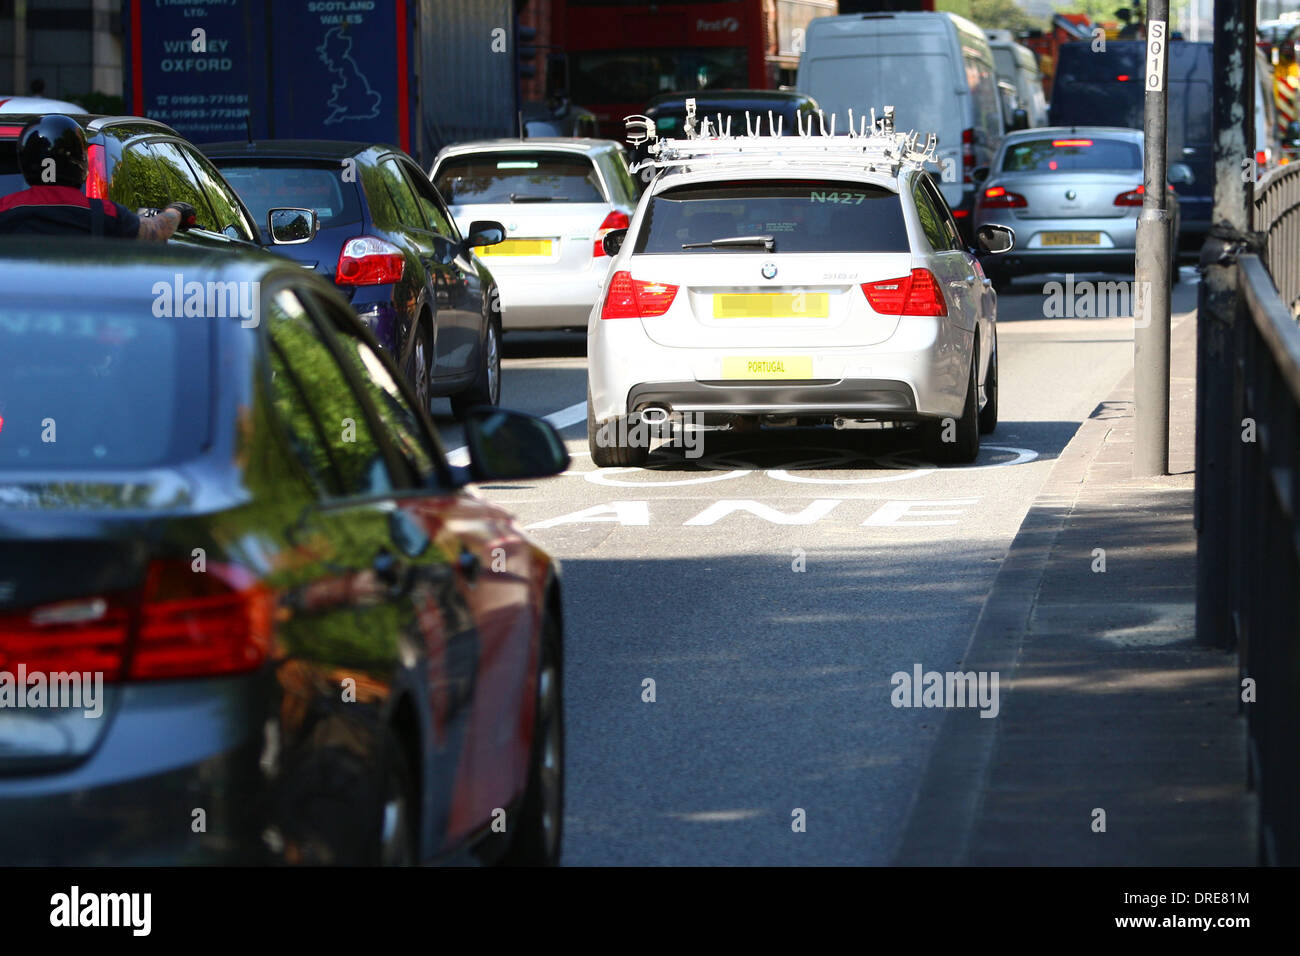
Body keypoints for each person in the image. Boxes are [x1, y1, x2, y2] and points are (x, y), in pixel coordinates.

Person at [0, 114, 196, 239]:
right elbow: (158, 230)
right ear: (80, 160)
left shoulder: (4, 209)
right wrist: (176, 210)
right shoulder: (105, 213)